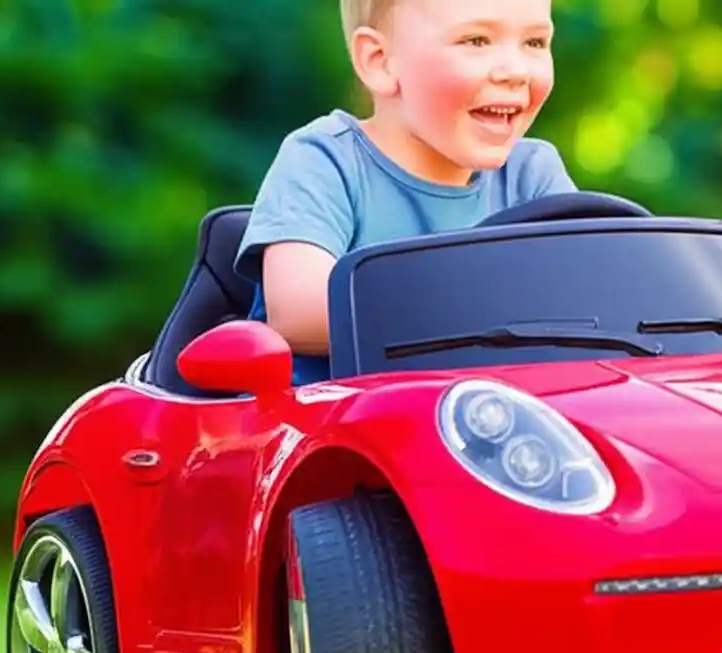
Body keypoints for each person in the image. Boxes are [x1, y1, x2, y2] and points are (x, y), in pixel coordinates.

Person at [234, 0, 576, 385]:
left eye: (534, 42)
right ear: (381, 61)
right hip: (339, 426)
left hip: (512, 420)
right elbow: (298, 314)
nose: (515, 71)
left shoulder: (532, 173)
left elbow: (592, 292)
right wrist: (484, 306)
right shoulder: (326, 159)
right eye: (477, 40)